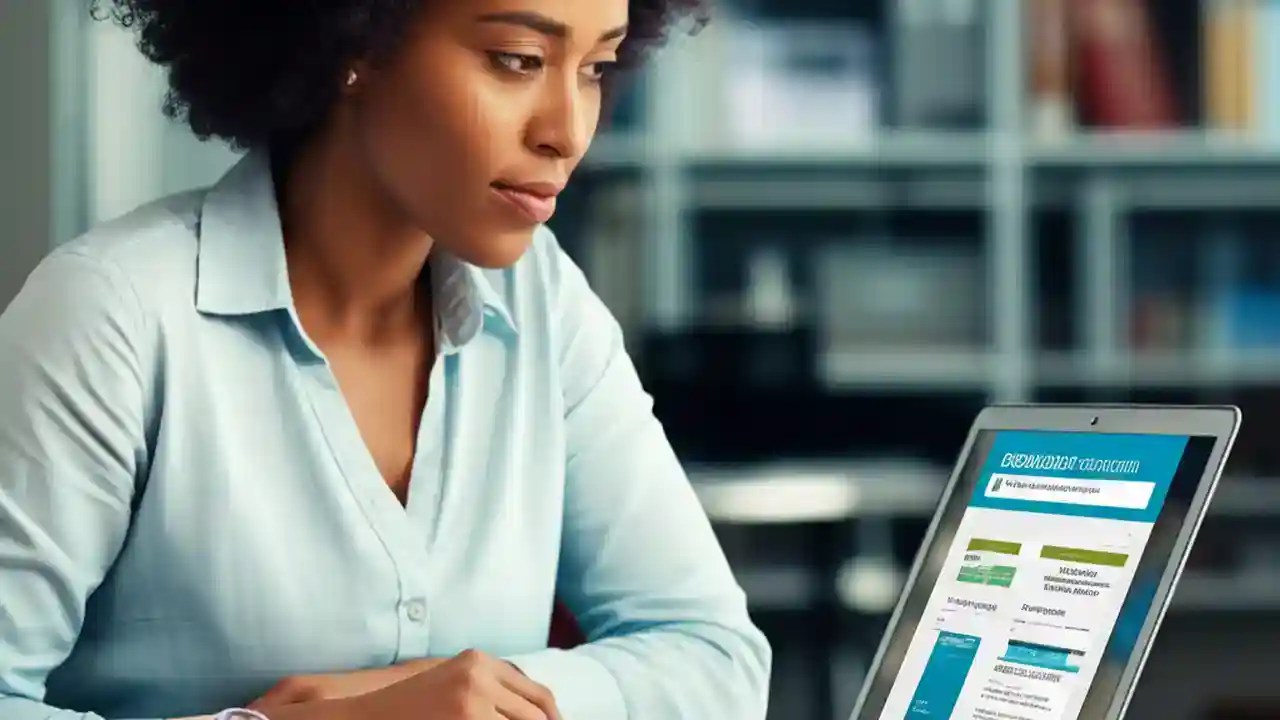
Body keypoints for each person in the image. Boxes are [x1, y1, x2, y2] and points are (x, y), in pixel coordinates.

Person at [0, 0, 772, 719]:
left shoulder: (543, 305)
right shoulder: (113, 317)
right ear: (358, 43)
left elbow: (716, 659)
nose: (567, 132)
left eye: (595, 69)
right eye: (518, 60)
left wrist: (488, 699)